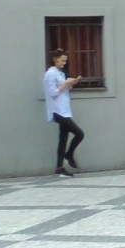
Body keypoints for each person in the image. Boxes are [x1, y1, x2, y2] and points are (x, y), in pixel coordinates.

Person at [43, 48, 84, 177]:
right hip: (58, 111)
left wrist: (72, 83)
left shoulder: (60, 73)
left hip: (65, 110)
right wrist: (65, 83)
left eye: (65, 61)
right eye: (62, 60)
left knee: (63, 139)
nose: (64, 63)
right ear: (55, 59)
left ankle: (59, 168)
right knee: (79, 133)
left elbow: (64, 90)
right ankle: (69, 154)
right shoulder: (50, 73)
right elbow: (53, 93)